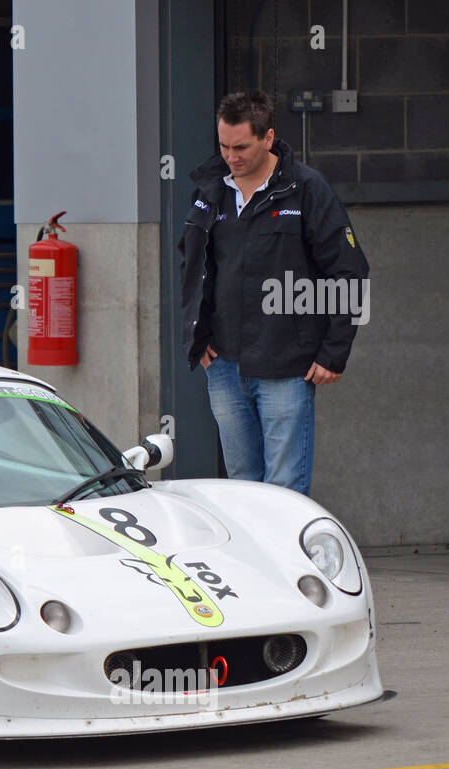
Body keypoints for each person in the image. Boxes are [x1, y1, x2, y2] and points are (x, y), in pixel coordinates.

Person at [179, 91, 369, 496]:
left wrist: (334, 352)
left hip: (287, 366)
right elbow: (190, 265)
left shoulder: (307, 189)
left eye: (242, 146)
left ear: (268, 138)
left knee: (283, 490)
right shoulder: (210, 190)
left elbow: (351, 270)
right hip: (225, 366)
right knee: (242, 490)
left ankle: (288, 561)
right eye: (224, 146)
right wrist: (197, 337)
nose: (232, 156)